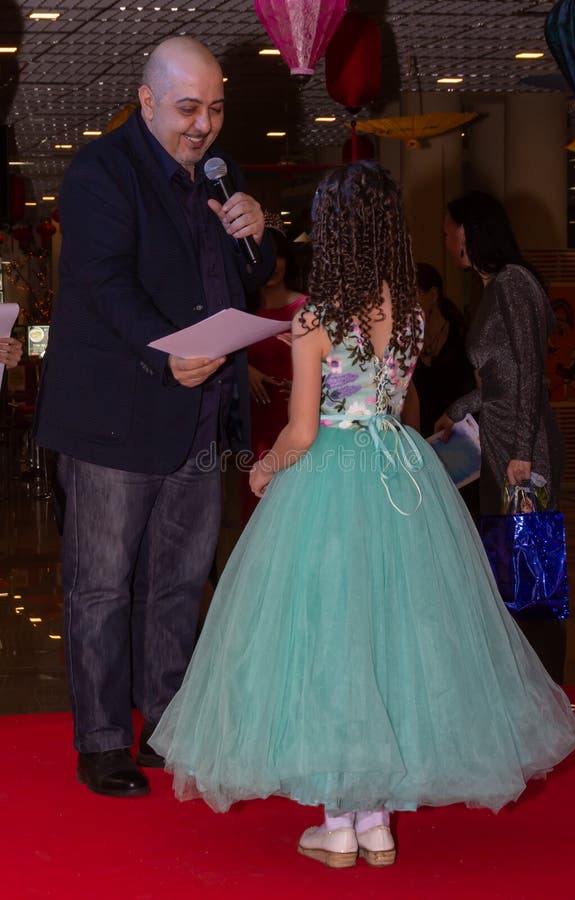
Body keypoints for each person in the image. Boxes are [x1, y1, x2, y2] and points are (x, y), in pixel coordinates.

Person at [150, 162, 575, 868]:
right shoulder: (412, 317)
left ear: (333, 235)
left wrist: (261, 471)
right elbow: (397, 406)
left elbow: (300, 432)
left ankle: (339, 821)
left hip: (331, 478)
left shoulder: (317, 321)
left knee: (332, 639)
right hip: (400, 475)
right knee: (393, 637)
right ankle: (377, 820)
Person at [32, 36, 275, 798]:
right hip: (115, 415)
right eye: (187, 109)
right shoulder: (102, 171)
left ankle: (167, 724)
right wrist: (162, 352)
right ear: (145, 101)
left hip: (198, 413)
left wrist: (257, 237)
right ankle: (102, 742)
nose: (204, 126)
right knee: (102, 586)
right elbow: (101, 283)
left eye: (215, 108)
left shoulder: (220, 173)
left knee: (178, 582)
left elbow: (246, 279)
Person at [435, 191, 566, 681]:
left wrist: (525, 455)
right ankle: (526, 696)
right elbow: (500, 381)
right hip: (498, 451)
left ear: (469, 232)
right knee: (512, 580)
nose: (446, 242)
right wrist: (458, 411)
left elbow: (531, 371)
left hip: (521, 457)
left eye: (449, 231)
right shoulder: (494, 287)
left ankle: (551, 696)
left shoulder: (513, 283)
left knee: (534, 586)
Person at [243, 225, 307, 520]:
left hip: (296, 418)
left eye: (277, 256)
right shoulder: (240, 313)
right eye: (260, 257)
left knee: (297, 512)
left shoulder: (308, 309)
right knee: (256, 510)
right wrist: (243, 369)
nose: (271, 265)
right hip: (254, 422)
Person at [412, 262, 475, 438]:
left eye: (413, 295)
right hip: (421, 442)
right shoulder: (405, 343)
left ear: (432, 295)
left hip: (460, 439)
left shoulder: (463, 338)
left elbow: (480, 391)